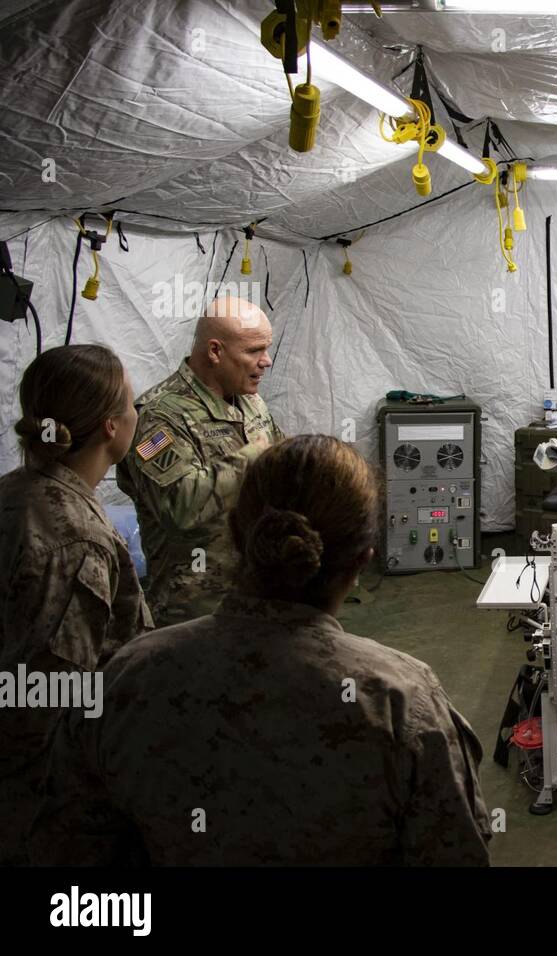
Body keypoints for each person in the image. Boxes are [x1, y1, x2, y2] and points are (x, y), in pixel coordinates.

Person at [29, 434, 491, 866]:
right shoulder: (401, 699)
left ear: (236, 534)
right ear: (362, 560)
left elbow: (71, 848)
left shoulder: (126, 679)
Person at [0, 344, 152, 864]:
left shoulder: (17, 493)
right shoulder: (76, 541)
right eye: (131, 404)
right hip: (50, 815)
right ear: (112, 426)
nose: (138, 414)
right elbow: (49, 702)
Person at [117, 295, 283, 627]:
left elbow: (277, 465)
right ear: (215, 351)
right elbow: (179, 507)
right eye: (254, 351)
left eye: (266, 349)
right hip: (193, 609)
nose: (266, 361)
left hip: (255, 593)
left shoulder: (250, 402)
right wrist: (252, 457)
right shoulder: (159, 417)